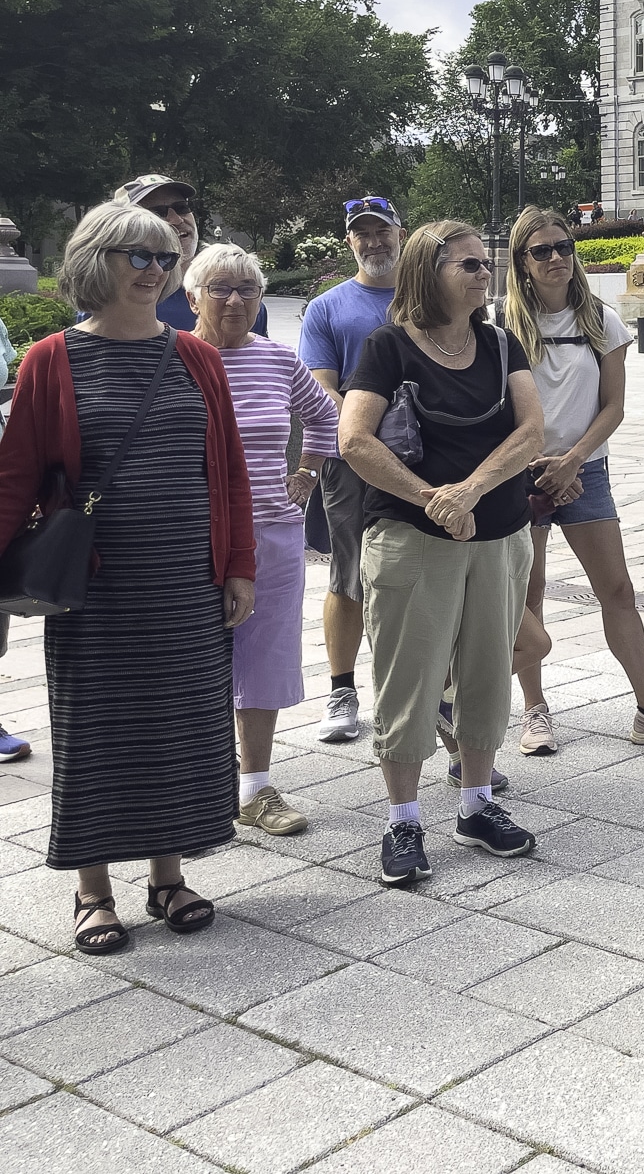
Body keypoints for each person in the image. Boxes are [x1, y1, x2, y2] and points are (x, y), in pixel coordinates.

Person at [0, 203, 255, 953]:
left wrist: (239, 566)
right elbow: (15, 478)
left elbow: (231, 473)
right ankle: (93, 890)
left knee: (178, 730)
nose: (153, 271)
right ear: (95, 262)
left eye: (163, 258)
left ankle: (169, 876)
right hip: (98, 586)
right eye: (135, 257)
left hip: (187, 582)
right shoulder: (50, 359)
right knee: (98, 734)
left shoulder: (196, 357)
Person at [339, 220, 543, 886]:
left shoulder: (499, 343)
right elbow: (354, 441)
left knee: (487, 674)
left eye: (486, 264)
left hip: (499, 533)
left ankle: (476, 806)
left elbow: (532, 429)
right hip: (411, 538)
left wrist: (472, 490)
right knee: (410, 682)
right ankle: (402, 819)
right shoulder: (387, 347)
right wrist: (432, 499)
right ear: (430, 271)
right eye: (469, 265)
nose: (485, 274)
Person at [504, 207, 644, 753]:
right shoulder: (502, 325)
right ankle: (535, 712)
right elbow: (495, 409)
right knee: (531, 593)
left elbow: (615, 407)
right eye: (541, 251)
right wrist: (542, 467)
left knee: (617, 590)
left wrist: (573, 461)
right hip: (520, 475)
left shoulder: (599, 318)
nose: (556, 258)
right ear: (522, 263)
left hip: (584, 469)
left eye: (563, 247)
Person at [187, 244, 341, 836]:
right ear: (193, 295)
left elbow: (326, 416)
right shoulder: (175, 358)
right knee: (194, 654)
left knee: (265, 651)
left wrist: (309, 471)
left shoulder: (278, 360)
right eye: (221, 288)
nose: (235, 301)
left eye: (247, 290)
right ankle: (201, 781)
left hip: (274, 529)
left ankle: (254, 786)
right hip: (195, 532)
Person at [300, 196, 403, 744]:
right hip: (352, 465)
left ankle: (419, 688)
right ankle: (342, 689)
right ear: (349, 242)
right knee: (348, 572)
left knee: (418, 571)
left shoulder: (424, 297)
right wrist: (371, 442)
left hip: (427, 464)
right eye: (361, 234)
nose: (373, 241)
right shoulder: (327, 308)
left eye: (381, 230)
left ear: (400, 233)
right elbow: (321, 388)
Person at [109, 174, 269, 336]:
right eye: (157, 213)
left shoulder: (244, 303)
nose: (176, 220)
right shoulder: (107, 306)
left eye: (181, 208)